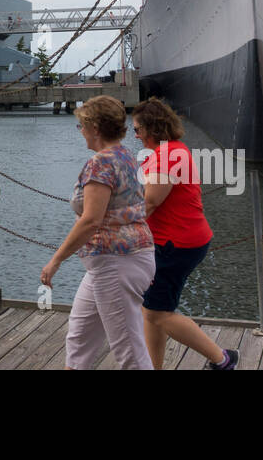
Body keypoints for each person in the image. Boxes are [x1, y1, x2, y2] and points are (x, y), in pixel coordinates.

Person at [41, 95, 156, 370]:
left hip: (116, 263)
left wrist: (55, 260)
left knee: (129, 351)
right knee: (80, 338)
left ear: (94, 127)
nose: (81, 132)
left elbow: (91, 219)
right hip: (118, 261)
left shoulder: (101, 163)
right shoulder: (126, 156)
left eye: (81, 126)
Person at [133, 97, 238, 370]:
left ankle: (222, 360)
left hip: (174, 244)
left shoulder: (167, 156)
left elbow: (151, 201)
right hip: (182, 239)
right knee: (151, 311)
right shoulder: (174, 150)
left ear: (151, 128)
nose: (135, 135)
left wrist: (118, 229)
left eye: (137, 129)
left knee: (158, 313)